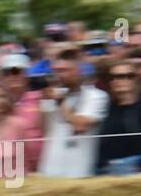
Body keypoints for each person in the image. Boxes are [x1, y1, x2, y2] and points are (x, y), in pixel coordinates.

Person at [38, 46, 108, 178]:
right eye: (56, 71)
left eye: (65, 71)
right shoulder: (52, 95)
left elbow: (80, 126)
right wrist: (45, 102)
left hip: (79, 173)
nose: (59, 75)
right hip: (49, 171)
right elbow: (45, 131)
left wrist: (60, 103)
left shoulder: (96, 96)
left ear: (79, 71)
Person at [95, 58, 141, 174]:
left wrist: (140, 163)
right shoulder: (105, 108)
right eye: (113, 77)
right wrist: (104, 163)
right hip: (110, 171)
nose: (119, 81)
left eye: (126, 76)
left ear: (135, 79)